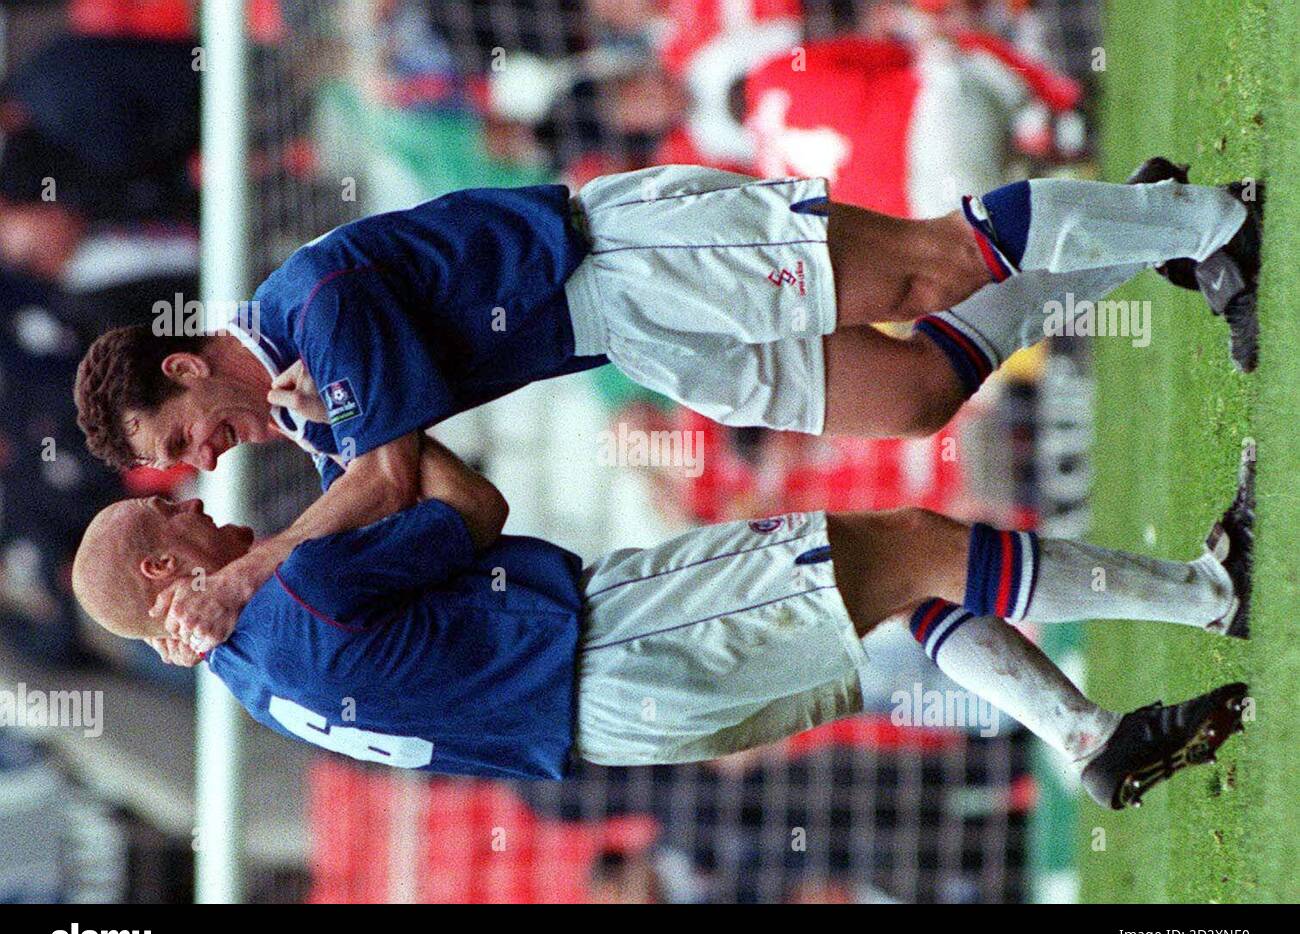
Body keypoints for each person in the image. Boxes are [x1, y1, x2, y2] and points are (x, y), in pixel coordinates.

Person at [73, 157, 1262, 658]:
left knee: (931, 266)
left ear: (186, 368)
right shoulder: (304, 397)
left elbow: (391, 480)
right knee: (908, 400)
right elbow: (408, 479)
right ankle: (1129, 223)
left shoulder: (310, 298)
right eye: (186, 468)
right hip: (633, 340)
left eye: (188, 439)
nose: (210, 460)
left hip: (632, 257)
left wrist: (244, 576)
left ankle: (1216, 220)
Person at [70, 437, 1254, 810]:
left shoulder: (245, 680)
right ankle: (1210, 592)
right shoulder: (298, 590)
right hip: (618, 641)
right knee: (904, 542)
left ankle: (1089, 739)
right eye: (175, 507)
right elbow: (474, 505)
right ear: (167, 560)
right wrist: (382, 428)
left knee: (904, 582)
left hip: (619, 729)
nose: (199, 499)